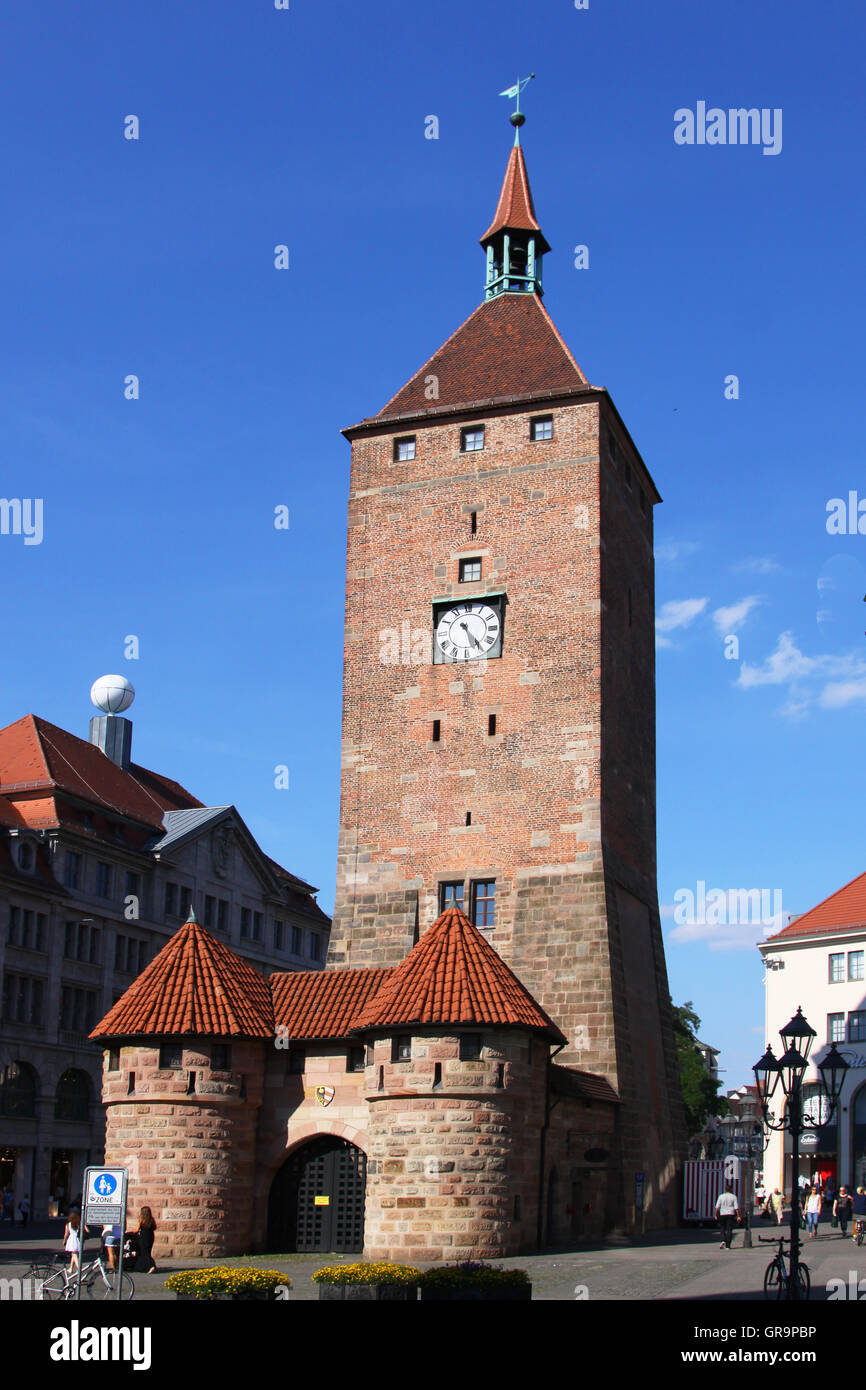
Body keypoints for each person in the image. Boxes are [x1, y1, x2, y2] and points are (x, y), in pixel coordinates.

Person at [128, 1207, 157, 1273]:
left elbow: (136, 1230)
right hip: (150, 1236)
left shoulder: (141, 1220)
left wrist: (130, 1232)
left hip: (143, 1237)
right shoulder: (152, 1220)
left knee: (143, 1252)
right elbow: (154, 1227)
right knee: (148, 1251)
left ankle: (151, 1265)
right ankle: (144, 1266)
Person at [714, 1183, 741, 1249]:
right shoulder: (733, 1197)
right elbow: (736, 1208)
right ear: (731, 1189)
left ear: (725, 1189)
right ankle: (728, 1245)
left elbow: (717, 1207)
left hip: (722, 1214)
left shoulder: (721, 1196)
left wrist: (715, 1215)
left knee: (722, 1228)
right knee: (729, 1229)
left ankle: (723, 1240)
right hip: (731, 1214)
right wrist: (738, 1216)